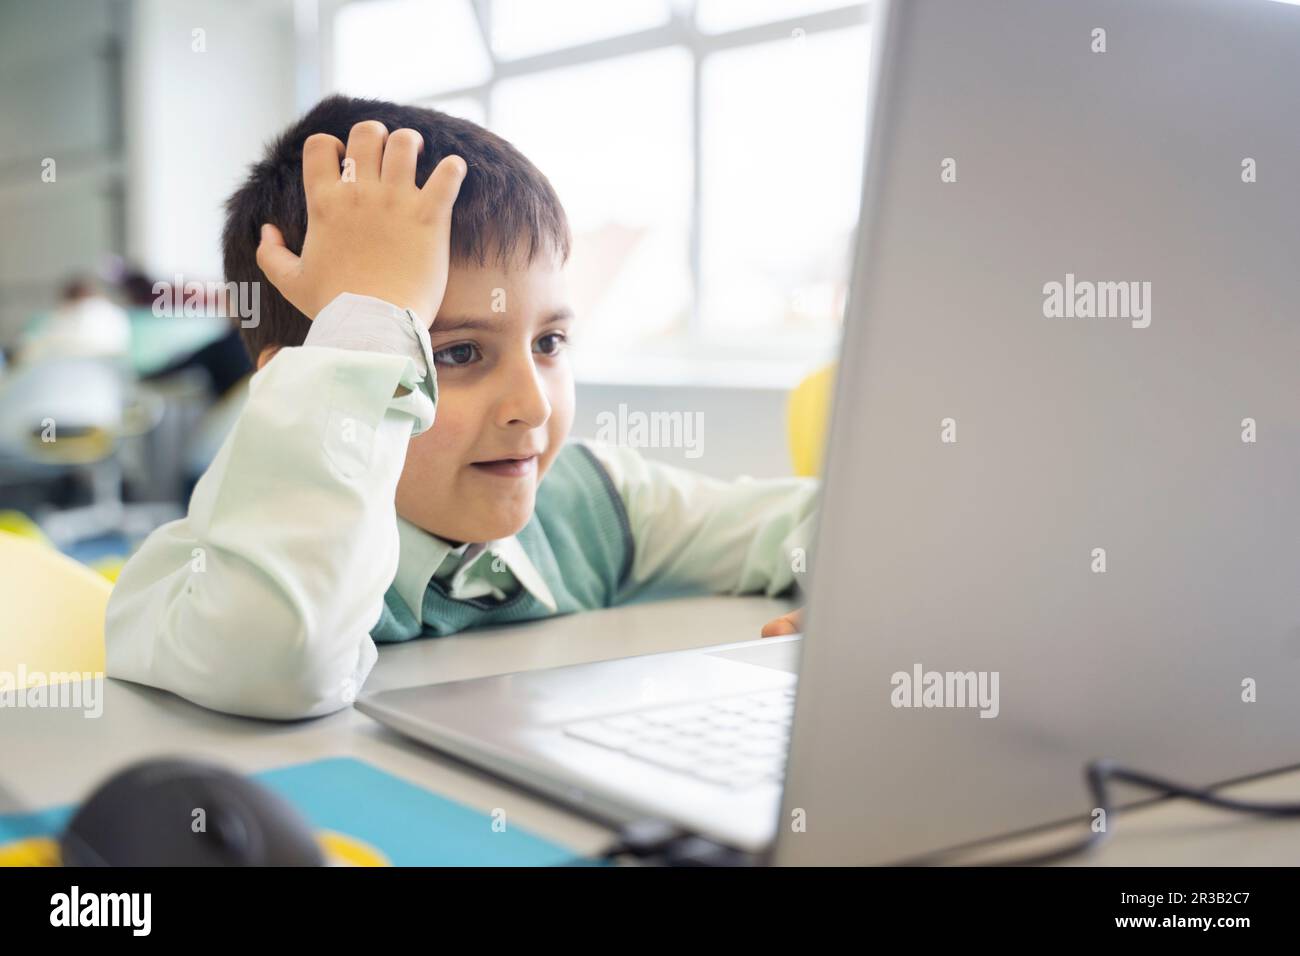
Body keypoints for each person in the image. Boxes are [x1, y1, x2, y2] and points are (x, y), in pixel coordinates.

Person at [105, 96, 816, 720]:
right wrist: (366, 334)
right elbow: (280, 668)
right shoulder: (207, 568)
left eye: (550, 341)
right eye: (458, 354)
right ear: (304, 383)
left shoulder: (594, 504)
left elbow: (819, 523)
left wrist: (870, 608)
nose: (531, 405)